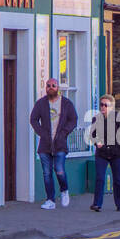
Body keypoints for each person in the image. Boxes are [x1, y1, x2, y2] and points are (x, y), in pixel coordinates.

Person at [28, 77, 77, 209]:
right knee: (47, 173)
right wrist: (41, 132)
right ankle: (50, 200)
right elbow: (33, 119)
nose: (51, 87)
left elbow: (73, 120)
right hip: (45, 144)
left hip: (60, 143)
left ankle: (64, 190)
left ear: (58, 88)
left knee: (59, 170)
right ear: (46, 88)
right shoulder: (41, 103)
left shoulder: (66, 104)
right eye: (48, 85)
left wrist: (64, 133)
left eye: (53, 85)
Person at [90, 94, 120, 212]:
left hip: (116, 154)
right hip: (101, 153)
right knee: (100, 178)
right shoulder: (96, 119)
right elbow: (92, 135)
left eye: (105, 105)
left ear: (111, 106)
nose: (103, 107)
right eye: (101, 105)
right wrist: (97, 143)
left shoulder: (119, 119)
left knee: (117, 179)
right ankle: (97, 204)